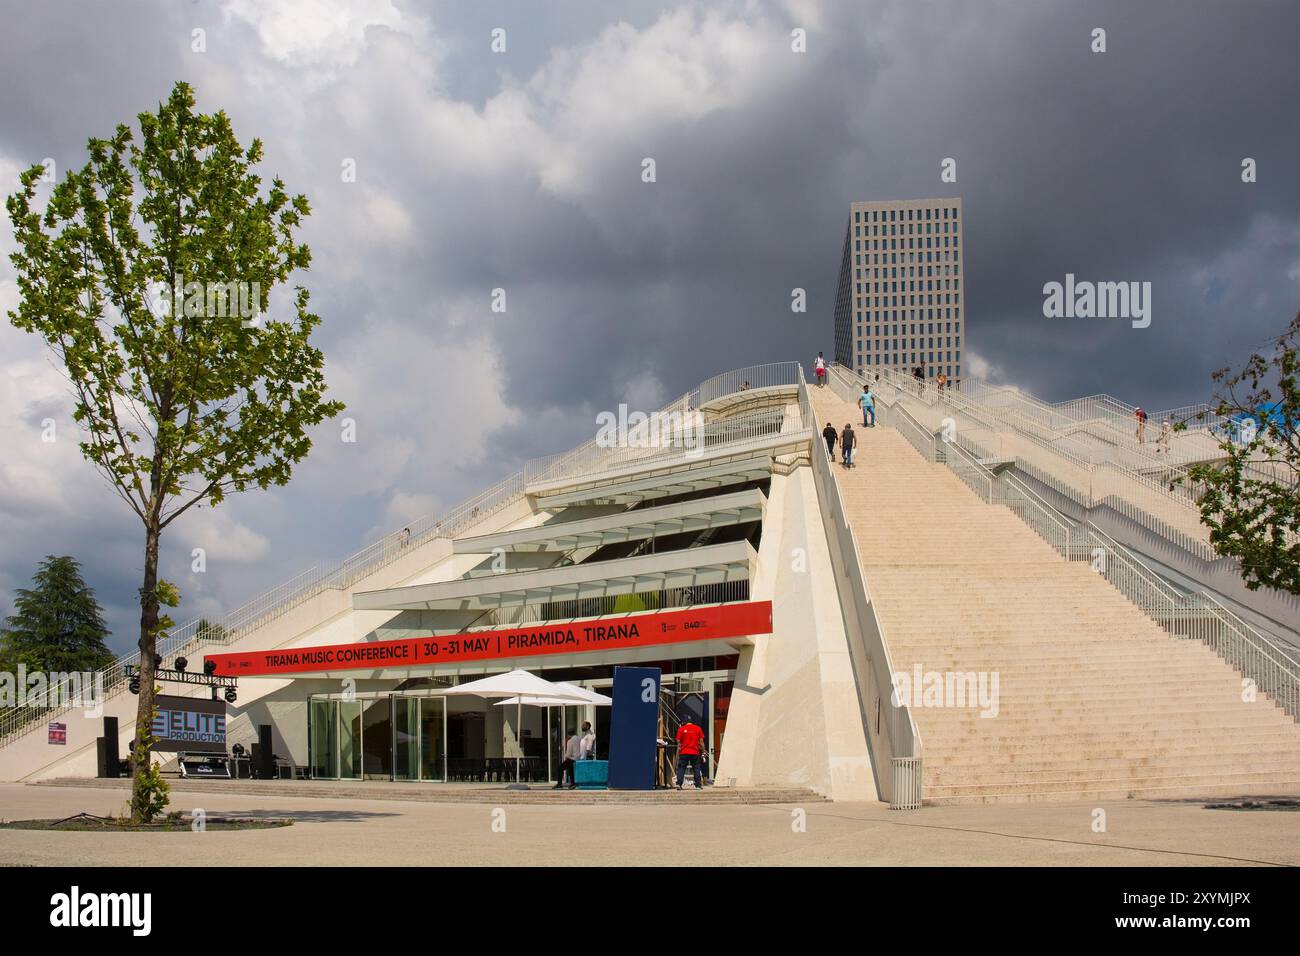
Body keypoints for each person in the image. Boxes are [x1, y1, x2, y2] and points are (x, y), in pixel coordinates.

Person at [675, 719, 705, 790]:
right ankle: (698, 785)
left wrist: (681, 745)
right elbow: (701, 742)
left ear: (685, 722)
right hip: (695, 752)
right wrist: (703, 752)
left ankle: (679, 784)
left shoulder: (681, 729)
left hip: (684, 752)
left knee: (681, 768)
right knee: (696, 768)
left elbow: (678, 740)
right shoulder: (698, 728)